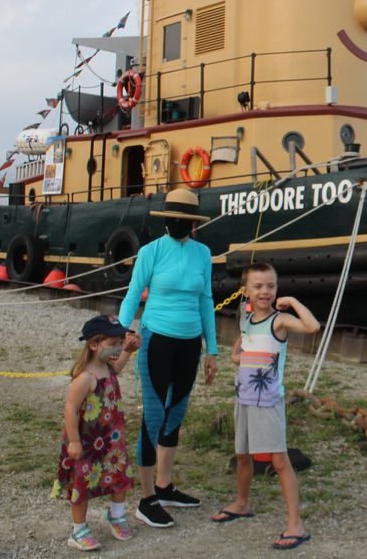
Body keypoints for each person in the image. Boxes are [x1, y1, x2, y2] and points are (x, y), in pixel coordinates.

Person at [117, 187, 219, 528]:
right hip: (157, 339)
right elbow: (133, 293)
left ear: (193, 224)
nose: (181, 225)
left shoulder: (202, 253)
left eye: (186, 221)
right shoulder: (151, 252)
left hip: (190, 343)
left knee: (176, 413)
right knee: (154, 415)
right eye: (175, 220)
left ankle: (165, 486)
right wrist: (121, 332)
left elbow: (206, 301)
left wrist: (212, 350)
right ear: (167, 220)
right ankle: (146, 500)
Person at [211, 262, 319, 550]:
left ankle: (296, 524)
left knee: (279, 461)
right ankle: (242, 503)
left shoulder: (279, 321)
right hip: (243, 399)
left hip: (268, 403)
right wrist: (237, 355)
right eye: (258, 286)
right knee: (243, 455)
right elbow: (241, 353)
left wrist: (294, 302)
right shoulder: (246, 321)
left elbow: (312, 326)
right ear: (246, 291)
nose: (265, 291)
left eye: (271, 285)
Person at [52, 314, 141, 551]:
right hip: (87, 442)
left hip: (111, 439)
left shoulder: (108, 367)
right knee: (81, 484)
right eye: (113, 344)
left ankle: (117, 515)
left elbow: (119, 367)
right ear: (93, 345)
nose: (118, 347)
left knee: (119, 474)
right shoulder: (85, 378)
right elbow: (70, 409)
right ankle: (78, 529)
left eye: (120, 342)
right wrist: (73, 441)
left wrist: (128, 351)